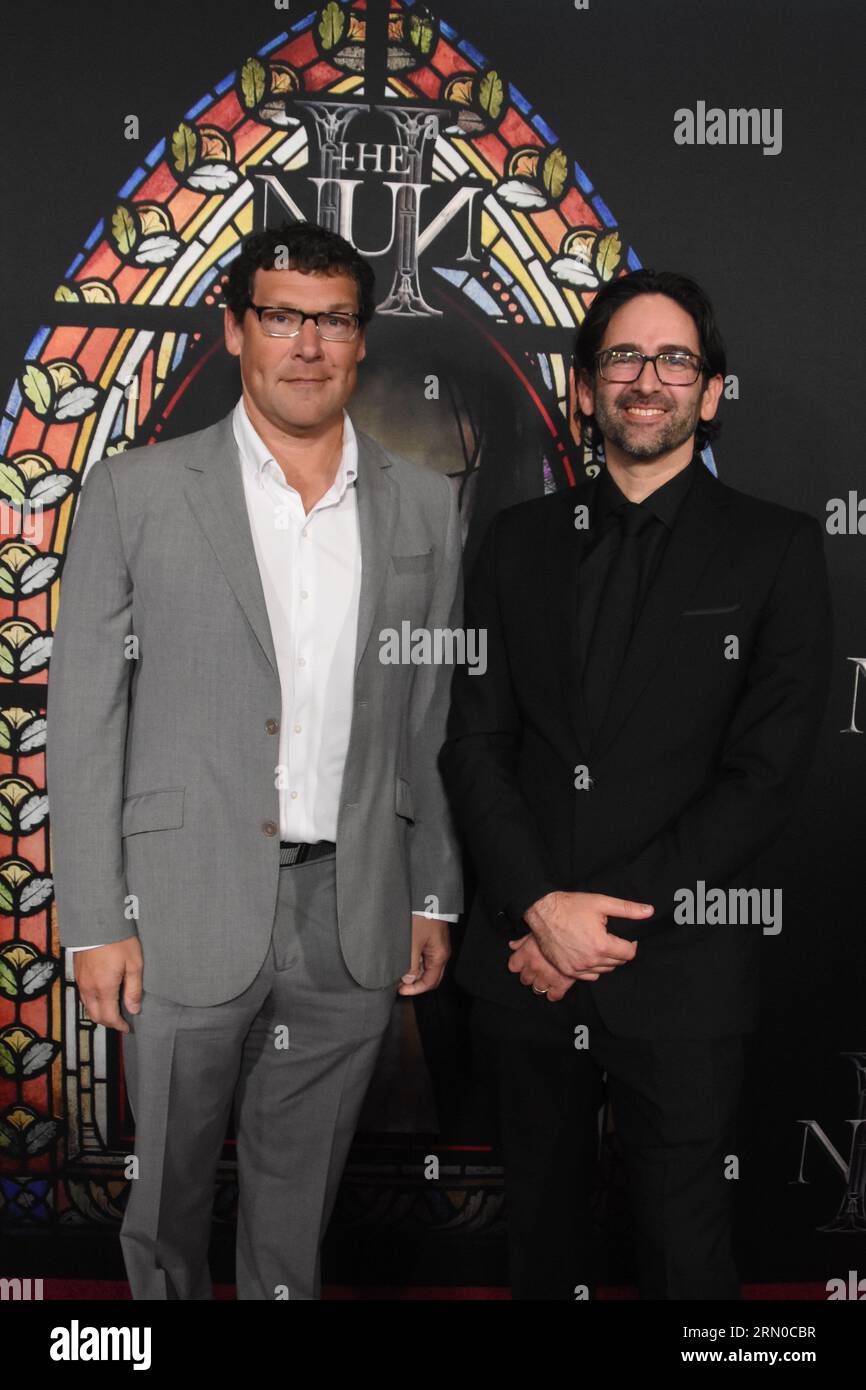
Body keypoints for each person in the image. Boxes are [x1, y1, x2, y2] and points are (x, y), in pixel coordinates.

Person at [46, 220, 462, 1300]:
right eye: (281, 316)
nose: (307, 345)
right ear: (237, 329)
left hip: (352, 906)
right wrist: (95, 919)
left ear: (360, 340)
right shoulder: (134, 492)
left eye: (330, 321)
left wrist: (432, 888)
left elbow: (427, 719)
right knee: (166, 1214)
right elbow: (84, 715)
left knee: (295, 1223)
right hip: (179, 907)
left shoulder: (424, 505)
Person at [439, 269, 832, 1300]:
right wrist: (536, 908)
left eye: (672, 361)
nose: (644, 379)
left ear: (707, 393)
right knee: (542, 1250)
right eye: (621, 357)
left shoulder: (775, 547)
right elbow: (474, 742)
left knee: (685, 1256)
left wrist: (595, 928)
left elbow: (762, 775)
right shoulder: (515, 543)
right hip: (523, 967)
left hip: (681, 970)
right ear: (582, 387)